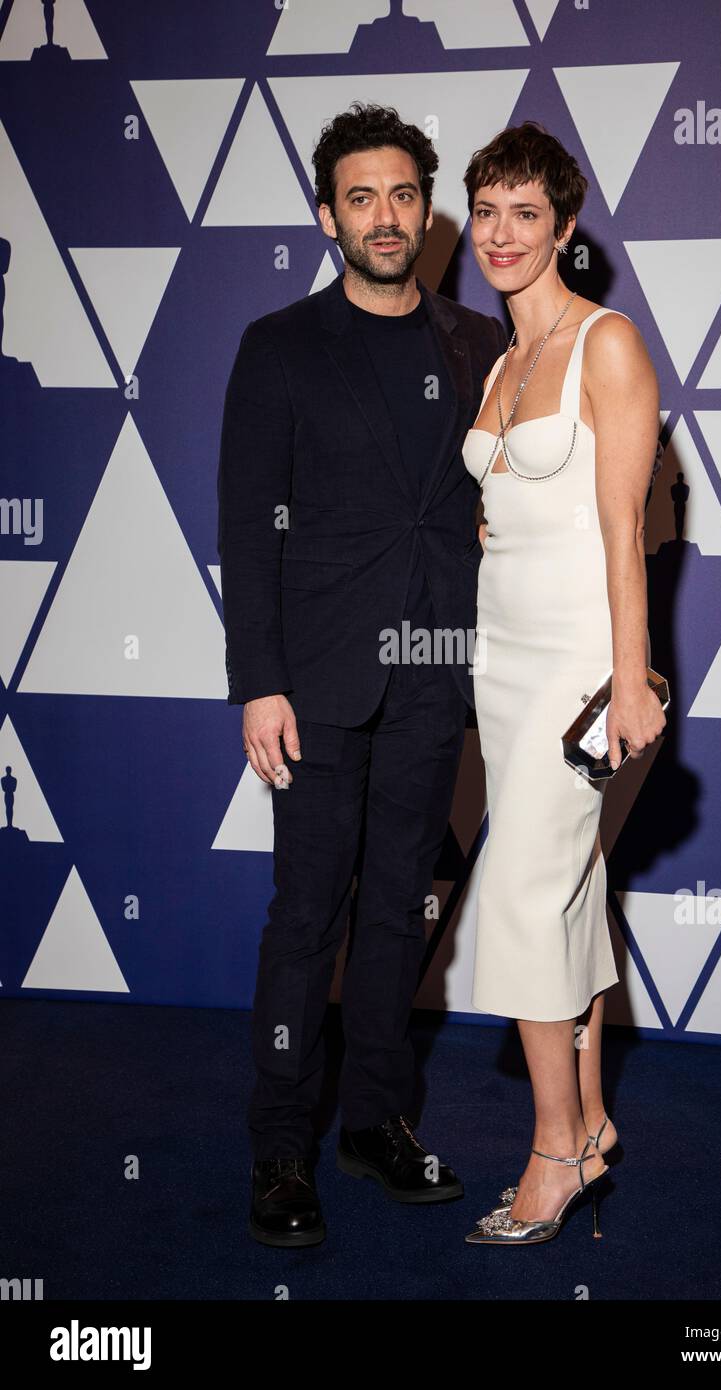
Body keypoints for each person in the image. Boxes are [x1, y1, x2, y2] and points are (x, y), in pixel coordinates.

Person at [216, 102, 507, 1247]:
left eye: (401, 195)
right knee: (305, 919)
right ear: (326, 214)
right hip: (319, 683)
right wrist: (259, 681)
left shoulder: (476, 346)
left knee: (397, 910)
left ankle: (374, 1121)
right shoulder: (278, 344)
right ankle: (282, 1144)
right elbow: (249, 524)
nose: (383, 217)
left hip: (436, 669)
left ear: (424, 211)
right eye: (359, 197)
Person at [460, 122, 666, 1246]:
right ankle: (587, 1125)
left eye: (522, 214)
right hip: (501, 659)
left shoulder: (606, 343)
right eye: (484, 211)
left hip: (578, 664)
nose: (498, 234)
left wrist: (628, 677)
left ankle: (550, 1155)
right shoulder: (501, 362)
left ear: (564, 226)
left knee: (522, 897)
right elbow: (516, 504)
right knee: (571, 893)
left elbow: (622, 524)